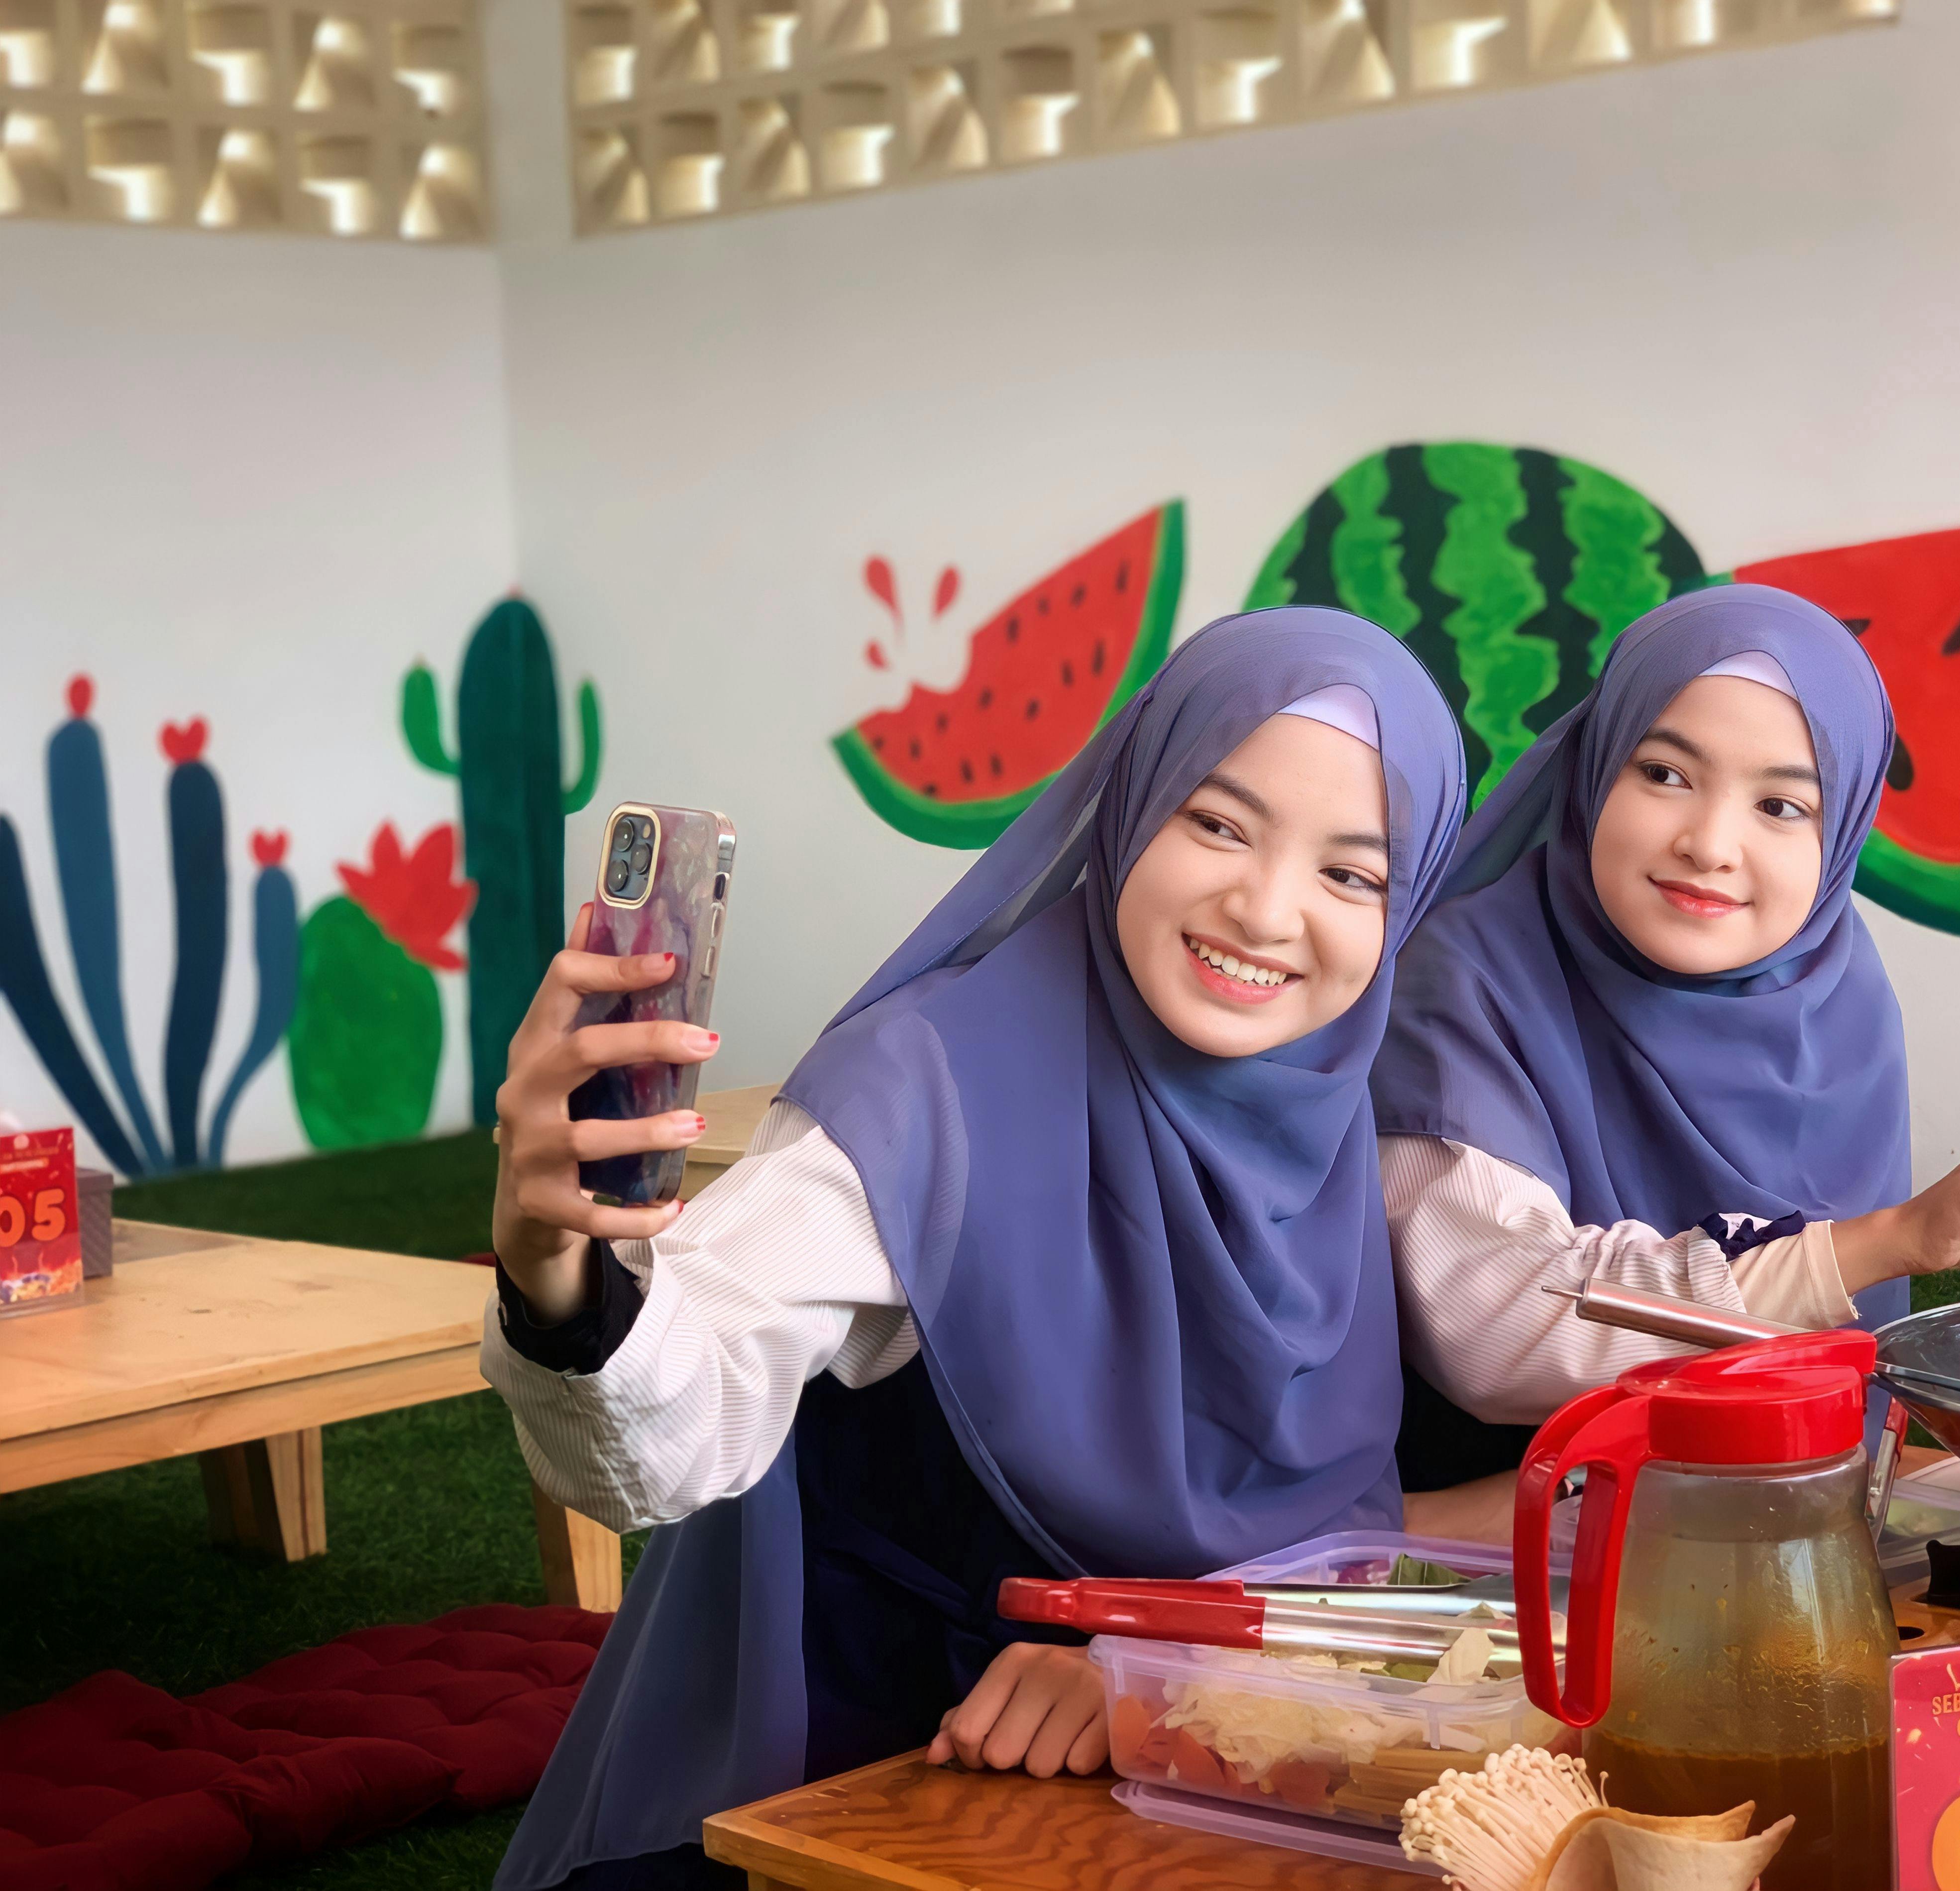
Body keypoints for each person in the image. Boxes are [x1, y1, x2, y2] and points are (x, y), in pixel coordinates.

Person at [479, 608, 1467, 1889]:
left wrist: (1148, 1678)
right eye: (1216, 823)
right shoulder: (928, 1083)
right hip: (871, 1787)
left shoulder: (1340, 1120)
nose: (1266, 909)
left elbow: (1338, 1542)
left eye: (1353, 874)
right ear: (1130, 806)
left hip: (1194, 1774)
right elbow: (674, 1414)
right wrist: (559, 1266)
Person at [1371, 585, 1960, 1536]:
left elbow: (1842, 1394)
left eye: (1780, 804)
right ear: (1595, 768)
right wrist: (1890, 1240)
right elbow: (1501, 1334)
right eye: (1665, 775)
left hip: (1768, 1536)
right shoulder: (1457, 980)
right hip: (1484, 1563)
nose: (1709, 845)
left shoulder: (1836, 993)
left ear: (1838, 833)